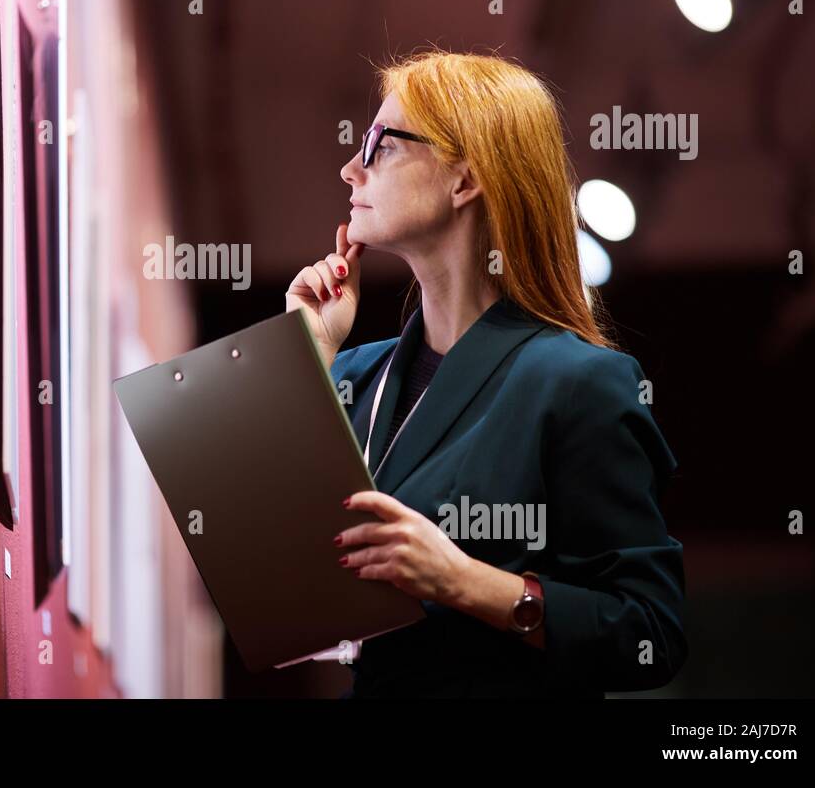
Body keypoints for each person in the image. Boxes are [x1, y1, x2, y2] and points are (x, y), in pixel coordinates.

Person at [285, 49, 687, 697]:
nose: (351, 167)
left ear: (464, 180)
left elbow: (652, 636)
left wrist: (467, 583)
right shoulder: (353, 374)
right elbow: (276, 582)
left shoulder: (578, 384)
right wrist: (308, 354)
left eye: (381, 144)